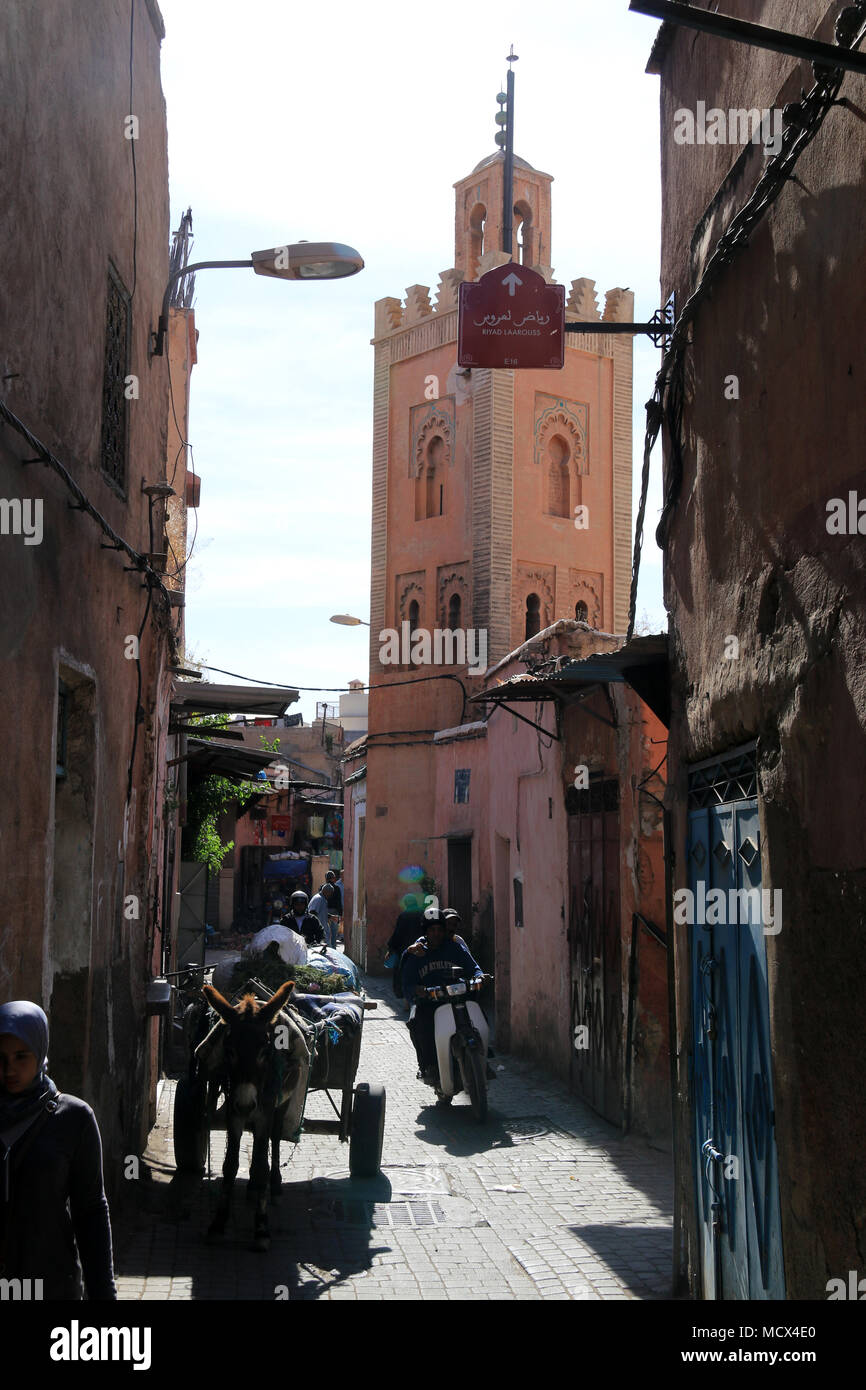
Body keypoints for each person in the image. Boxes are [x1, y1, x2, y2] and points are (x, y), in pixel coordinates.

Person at [0, 1001, 116, 1300]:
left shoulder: (73, 1118)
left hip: (50, 1285)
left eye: (21, 1056)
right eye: (0, 1058)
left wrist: (103, 1293)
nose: (9, 1068)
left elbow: (90, 1212)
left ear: (40, 1053)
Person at [400, 909, 485, 1079]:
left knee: (479, 1016)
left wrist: (479, 977)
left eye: (439, 929)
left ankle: (484, 1056)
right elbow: (407, 982)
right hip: (430, 1002)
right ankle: (428, 1066)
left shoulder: (454, 947)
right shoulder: (417, 952)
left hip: (456, 998)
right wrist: (418, 990)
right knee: (419, 1024)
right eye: (432, 930)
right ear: (426, 931)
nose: (436, 934)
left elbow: (473, 967)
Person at [385, 905, 425, 1002]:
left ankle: (405, 999)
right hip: (419, 949)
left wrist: (391, 948)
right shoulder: (421, 915)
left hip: (404, 950)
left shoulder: (403, 916)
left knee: (402, 973)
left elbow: (397, 933)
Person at [308, 883, 337, 948]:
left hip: (323, 932)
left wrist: (331, 916)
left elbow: (321, 913)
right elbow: (312, 912)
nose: (331, 895)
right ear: (326, 892)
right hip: (320, 933)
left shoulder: (323, 899)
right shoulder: (319, 899)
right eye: (331, 893)